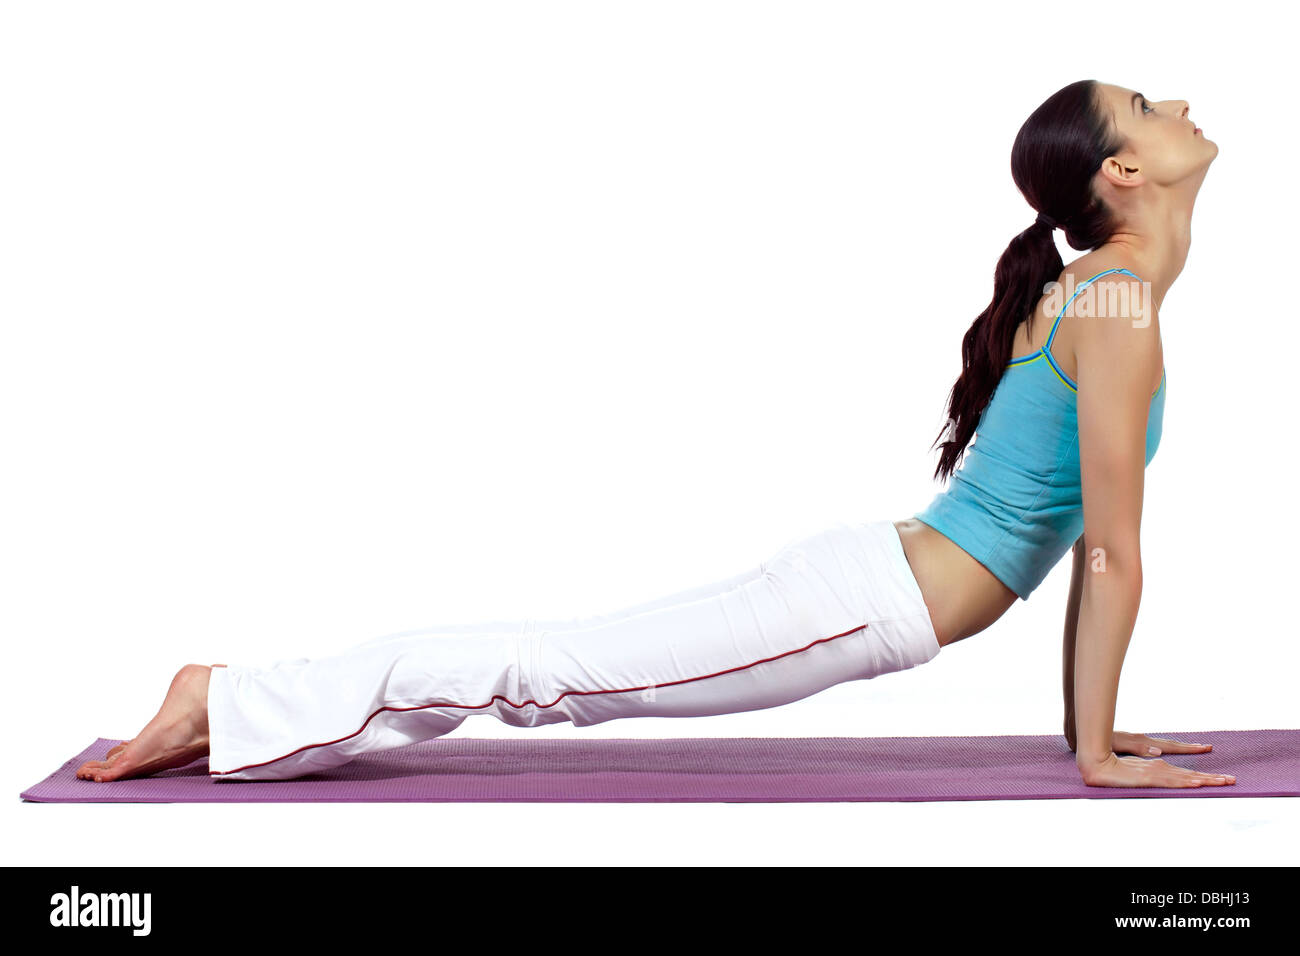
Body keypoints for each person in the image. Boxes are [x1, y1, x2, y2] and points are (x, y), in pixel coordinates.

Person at [76, 79, 1233, 790]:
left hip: (865, 581)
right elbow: (1110, 552)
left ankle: (235, 697)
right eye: (1144, 105)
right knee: (549, 676)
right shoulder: (1116, 303)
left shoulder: (1103, 295)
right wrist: (1091, 751)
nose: (1177, 98)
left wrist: (1092, 728)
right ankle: (226, 696)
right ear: (1123, 171)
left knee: (556, 664)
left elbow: (1087, 535)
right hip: (861, 601)